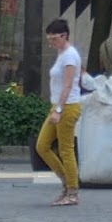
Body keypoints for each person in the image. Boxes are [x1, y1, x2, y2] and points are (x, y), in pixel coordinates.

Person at [36, 18, 83, 205]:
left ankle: (72, 191)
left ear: (64, 36)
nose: (51, 42)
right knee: (42, 146)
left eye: (54, 39)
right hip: (59, 106)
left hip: (67, 106)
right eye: (49, 39)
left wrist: (58, 110)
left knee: (66, 149)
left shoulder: (69, 55)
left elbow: (68, 85)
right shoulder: (63, 53)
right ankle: (67, 182)